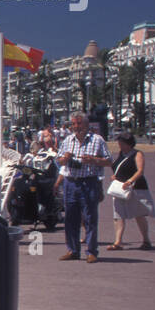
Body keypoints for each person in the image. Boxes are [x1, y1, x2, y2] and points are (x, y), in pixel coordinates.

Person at [57, 112, 112, 263]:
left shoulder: (97, 140)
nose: (76, 127)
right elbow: (60, 161)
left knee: (90, 218)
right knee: (70, 218)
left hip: (89, 182)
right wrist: (65, 158)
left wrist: (94, 160)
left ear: (87, 125)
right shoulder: (68, 140)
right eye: (74, 124)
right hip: (71, 182)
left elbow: (108, 161)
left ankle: (91, 251)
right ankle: (73, 250)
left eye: (79, 123)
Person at [107, 133, 155, 250]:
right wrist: (115, 176)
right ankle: (118, 242)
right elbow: (118, 167)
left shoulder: (137, 154)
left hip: (135, 188)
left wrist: (130, 181)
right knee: (118, 215)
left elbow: (140, 171)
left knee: (139, 214)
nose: (119, 145)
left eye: (121, 143)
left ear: (128, 143)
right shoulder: (121, 154)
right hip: (119, 188)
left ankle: (146, 240)